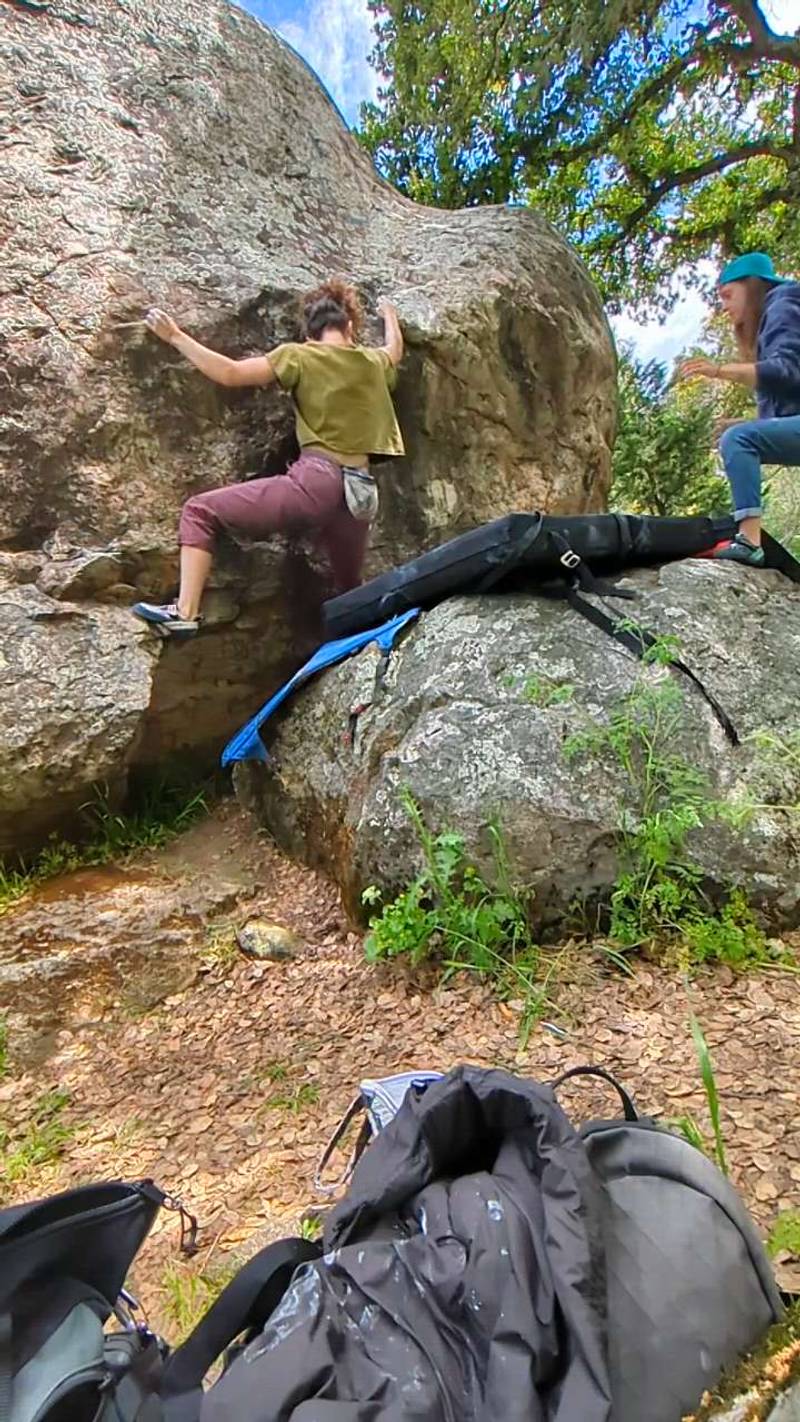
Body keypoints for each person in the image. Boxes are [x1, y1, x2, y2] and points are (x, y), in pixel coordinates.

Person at [132, 280, 404, 636]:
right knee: (351, 591)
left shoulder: (300, 355)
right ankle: (365, 651)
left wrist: (176, 336)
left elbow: (230, 373)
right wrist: (389, 315)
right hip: (359, 497)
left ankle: (185, 611)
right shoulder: (372, 361)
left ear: (311, 333)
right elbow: (394, 349)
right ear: (350, 327)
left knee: (199, 511)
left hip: (316, 483)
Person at [677, 252, 800, 565]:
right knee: (738, 435)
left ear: (753, 287)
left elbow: (785, 370)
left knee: (739, 439)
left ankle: (749, 541)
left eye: (728, 295)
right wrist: (738, 422)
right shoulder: (776, 315)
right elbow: (783, 413)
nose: (723, 306)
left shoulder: (782, 301)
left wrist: (719, 370)